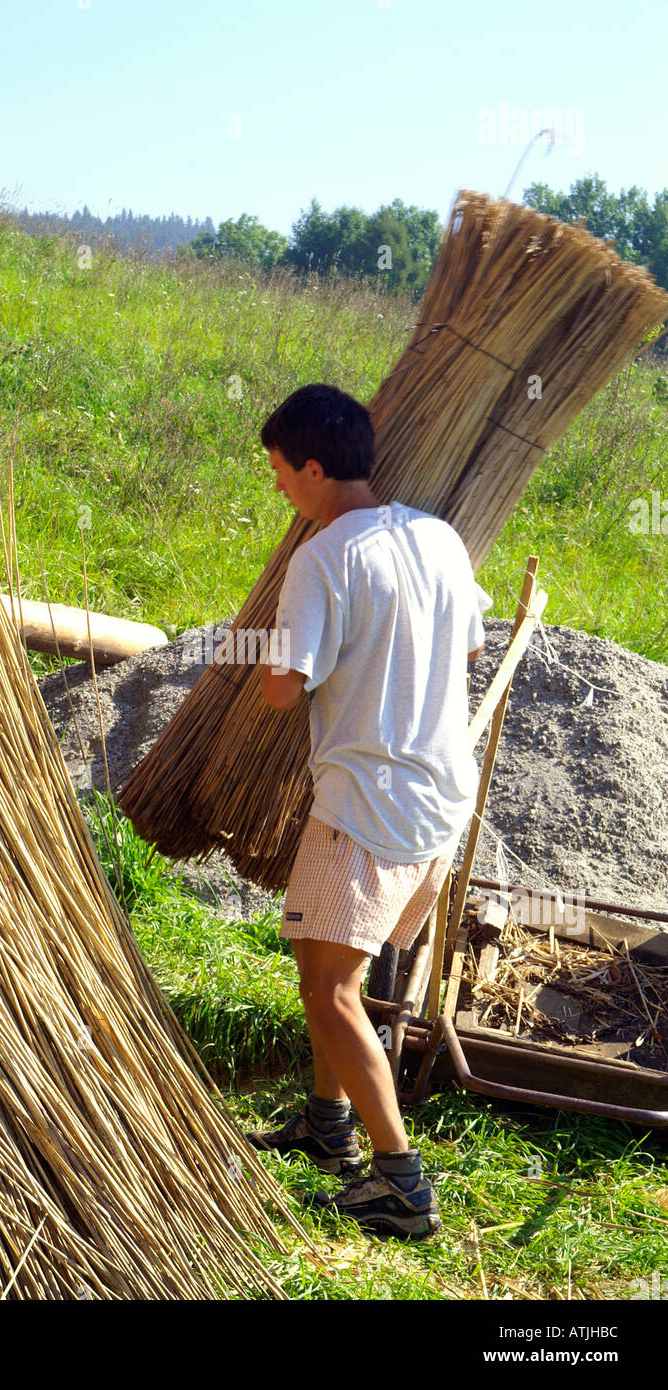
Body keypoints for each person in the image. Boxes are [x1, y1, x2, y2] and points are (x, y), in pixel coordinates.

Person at [246, 382, 492, 1239]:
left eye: (280, 473)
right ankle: (325, 1124)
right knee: (328, 971)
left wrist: (263, 644)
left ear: (314, 468)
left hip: (365, 806)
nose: (278, 489)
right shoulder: (438, 536)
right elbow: (468, 646)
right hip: (439, 797)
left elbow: (282, 691)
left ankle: (400, 1181)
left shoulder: (321, 560)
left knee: (330, 990)